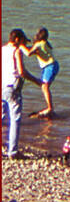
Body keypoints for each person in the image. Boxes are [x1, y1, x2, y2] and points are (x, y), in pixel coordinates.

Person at [2, 29, 40, 158]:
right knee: (15, 119)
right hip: (12, 88)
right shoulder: (16, 51)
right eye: (23, 41)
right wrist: (37, 81)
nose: (23, 45)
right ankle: (13, 151)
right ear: (17, 39)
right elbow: (22, 72)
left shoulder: (2, 49)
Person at [25, 27, 60, 118]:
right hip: (50, 66)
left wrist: (20, 46)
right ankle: (50, 108)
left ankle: (50, 108)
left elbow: (28, 53)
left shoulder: (39, 44)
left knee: (45, 86)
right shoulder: (44, 43)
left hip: (50, 66)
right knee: (44, 87)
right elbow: (33, 51)